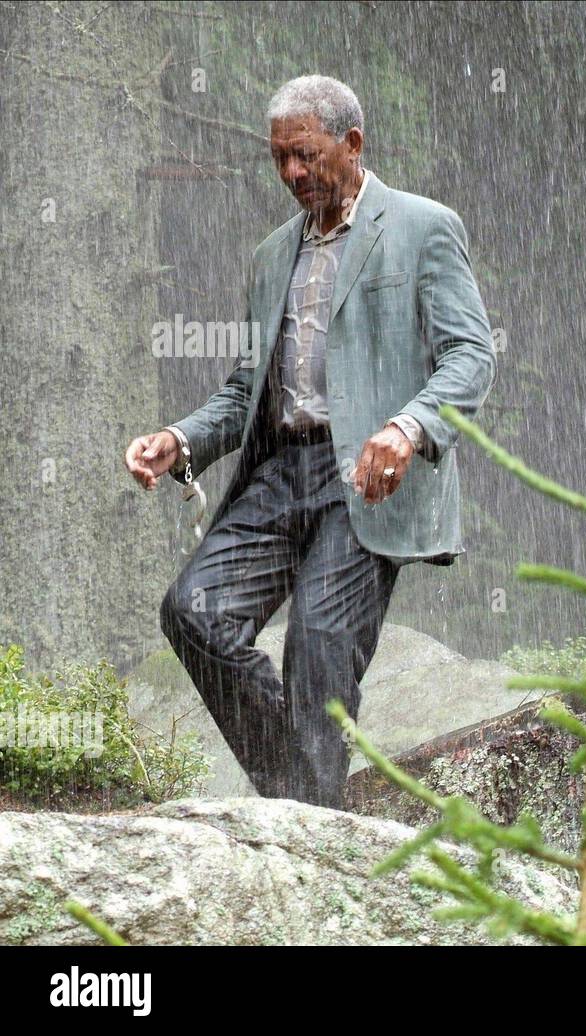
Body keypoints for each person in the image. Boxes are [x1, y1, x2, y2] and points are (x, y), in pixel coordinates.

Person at [123, 75, 495, 809]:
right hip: (280, 471)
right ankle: (301, 800)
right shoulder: (271, 256)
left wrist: (406, 426)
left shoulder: (423, 227)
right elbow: (245, 391)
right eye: (279, 160)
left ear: (352, 145)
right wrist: (179, 438)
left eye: (306, 155)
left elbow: (471, 355)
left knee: (319, 650)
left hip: (365, 473)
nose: (292, 173)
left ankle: (306, 827)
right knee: (195, 610)